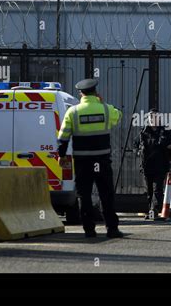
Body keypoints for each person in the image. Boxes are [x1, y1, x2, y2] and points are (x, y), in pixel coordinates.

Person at [57, 78, 124, 238]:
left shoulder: (72, 112)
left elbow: (63, 137)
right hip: (102, 161)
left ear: (81, 93)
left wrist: (62, 155)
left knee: (84, 195)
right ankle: (112, 229)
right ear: (96, 93)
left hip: (82, 162)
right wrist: (103, 103)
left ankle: (89, 230)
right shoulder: (107, 110)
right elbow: (119, 116)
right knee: (106, 194)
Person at [133, 109, 171, 219]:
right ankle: (151, 211)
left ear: (159, 118)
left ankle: (153, 210)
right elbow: (135, 145)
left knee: (157, 190)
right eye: (151, 118)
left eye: (155, 117)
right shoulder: (143, 132)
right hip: (147, 166)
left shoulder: (165, 131)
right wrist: (137, 152)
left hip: (160, 166)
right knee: (149, 190)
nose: (153, 120)